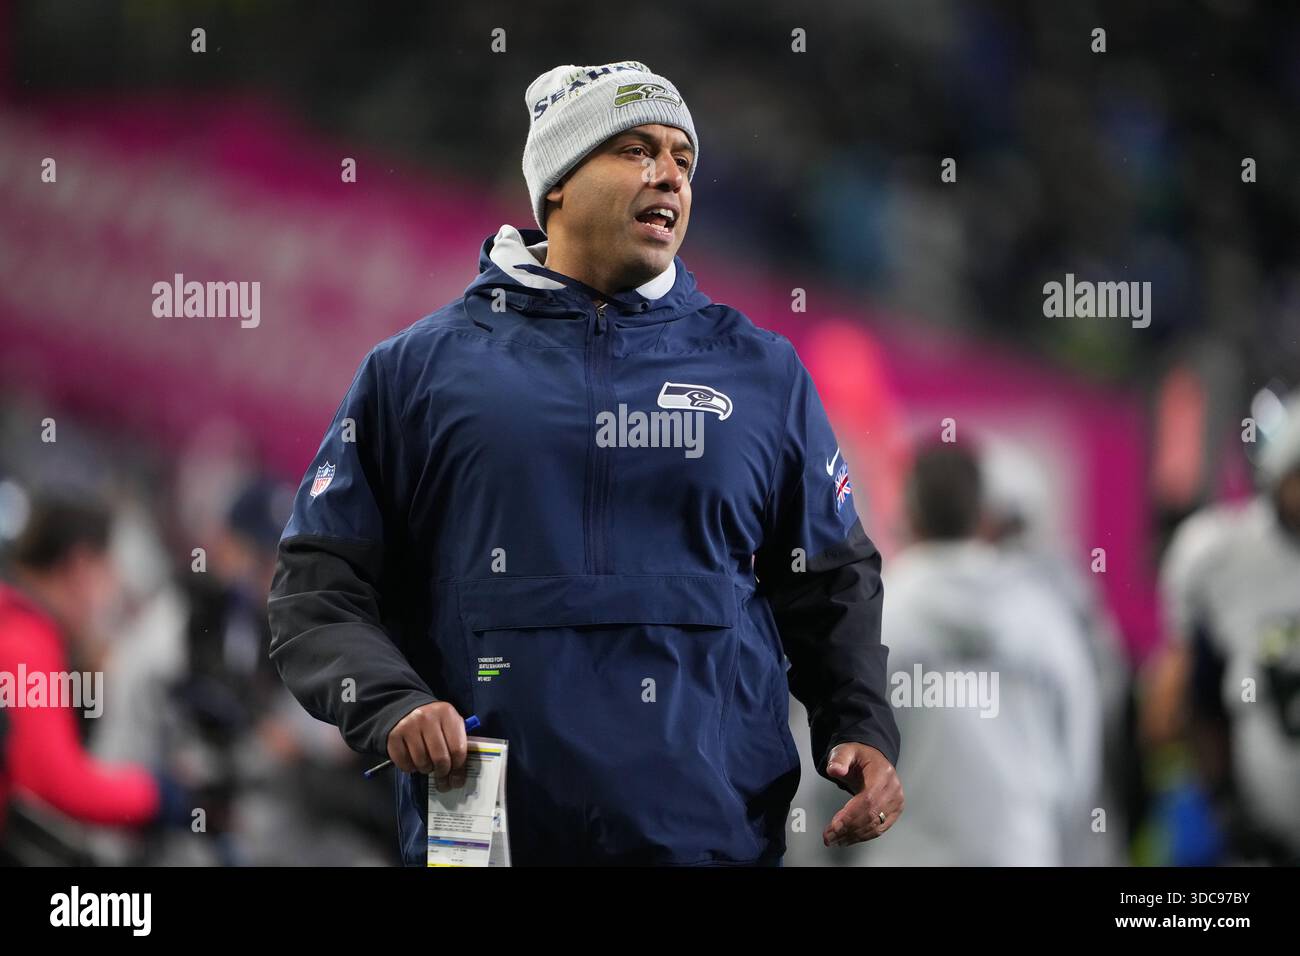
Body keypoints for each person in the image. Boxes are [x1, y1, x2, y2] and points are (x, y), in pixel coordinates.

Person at [268, 59, 902, 866]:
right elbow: (316, 589)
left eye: (683, 158)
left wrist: (861, 726)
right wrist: (390, 707)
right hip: (493, 844)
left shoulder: (763, 373)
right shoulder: (417, 373)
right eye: (636, 149)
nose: (668, 174)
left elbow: (831, 579)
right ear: (558, 182)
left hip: (709, 844)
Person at [862, 443, 1100, 866]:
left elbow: (827, 766)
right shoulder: (1044, 622)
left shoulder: (876, 620)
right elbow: (1077, 769)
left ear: (908, 517)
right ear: (983, 517)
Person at [1148, 391, 1300, 863]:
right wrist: (1221, 799)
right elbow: (1190, 700)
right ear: (1276, 476)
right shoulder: (1223, 557)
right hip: (1255, 829)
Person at [0, 494, 186, 860]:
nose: (110, 595)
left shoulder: (17, 623)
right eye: (109, 573)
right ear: (81, 566)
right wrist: (160, 796)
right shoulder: (23, 642)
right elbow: (56, 783)